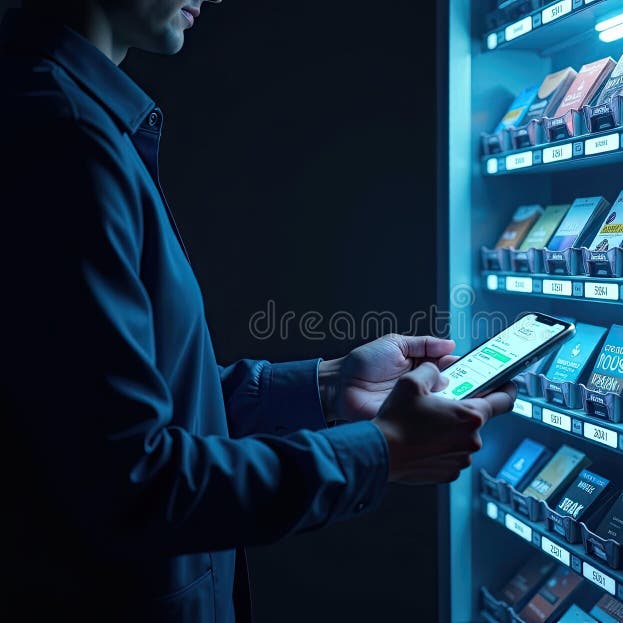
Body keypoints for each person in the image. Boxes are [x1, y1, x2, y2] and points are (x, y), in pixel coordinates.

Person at [0, 0, 516, 620]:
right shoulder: (61, 134)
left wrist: (329, 386)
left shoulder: (76, 119)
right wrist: (382, 451)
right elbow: (128, 482)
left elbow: (112, 404)